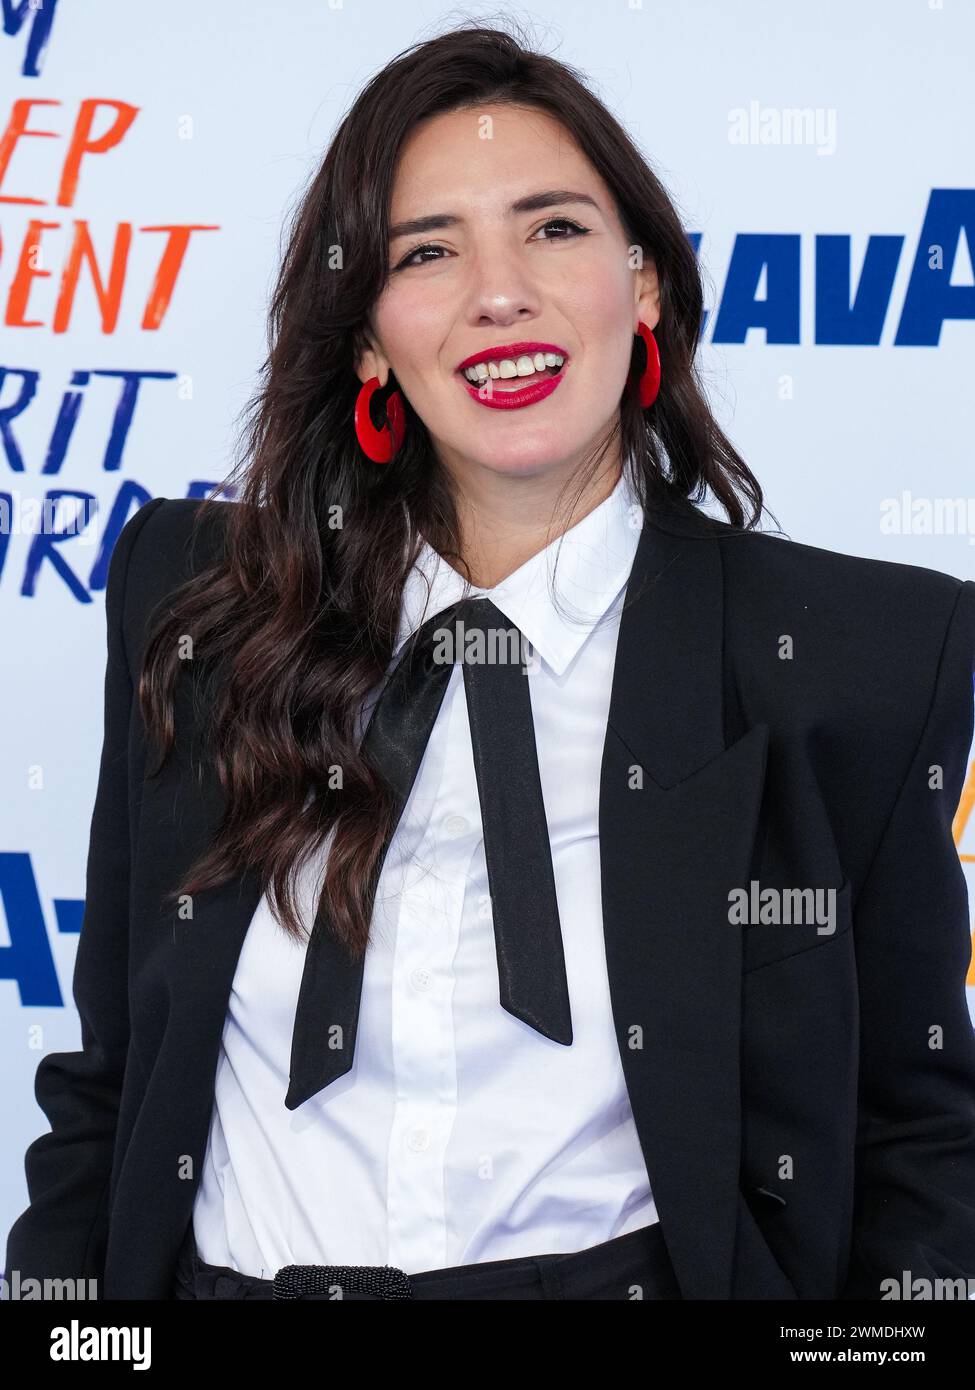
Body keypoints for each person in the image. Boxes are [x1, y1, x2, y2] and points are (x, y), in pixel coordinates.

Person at [6, 22, 975, 1302]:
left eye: (555, 228)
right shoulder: (202, 602)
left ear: (645, 287)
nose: (497, 290)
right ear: (367, 341)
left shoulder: (861, 657)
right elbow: (114, 1074)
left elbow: (915, 1138)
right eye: (428, 250)